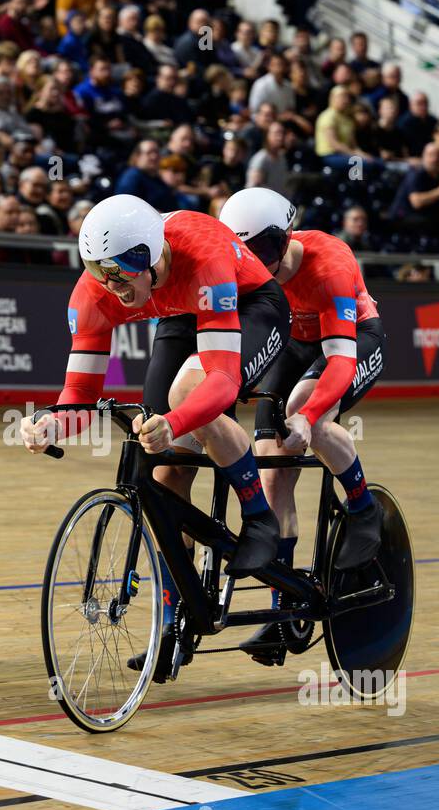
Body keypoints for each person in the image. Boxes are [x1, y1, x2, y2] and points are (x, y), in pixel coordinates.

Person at [19, 195, 292, 680]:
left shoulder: (201, 255)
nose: (111, 288)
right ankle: (173, 622)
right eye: (99, 274)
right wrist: (51, 422)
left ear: (149, 255)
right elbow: (80, 394)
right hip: (179, 310)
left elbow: (223, 383)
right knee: (164, 471)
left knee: (187, 395)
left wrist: (179, 419)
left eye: (120, 276)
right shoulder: (95, 292)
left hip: (248, 303)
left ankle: (259, 517)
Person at [219, 187, 385, 660]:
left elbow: (338, 361)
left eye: (267, 250)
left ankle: (362, 504)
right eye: (246, 254)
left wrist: (310, 418)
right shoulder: (248, 271)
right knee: (273, 462)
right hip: (295, 342)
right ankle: (283, 609)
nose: (259, 263)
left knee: (304, 411)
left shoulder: (330, 263)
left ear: (287, 236)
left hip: (351, 341)